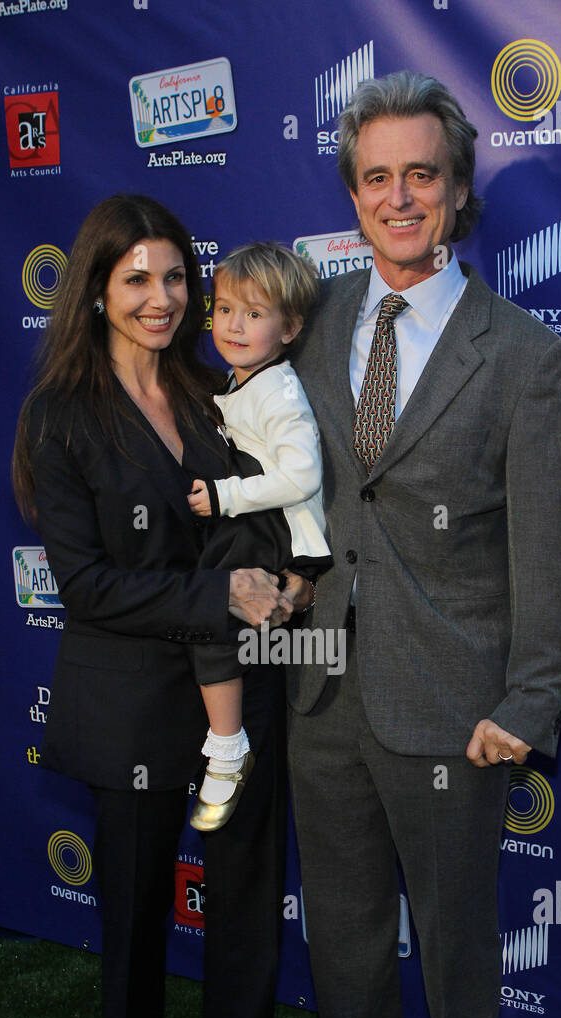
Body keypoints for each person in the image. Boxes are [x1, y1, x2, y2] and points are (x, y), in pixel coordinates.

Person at [273, 73, 561, 1018]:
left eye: (419, 176)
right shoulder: (318, 331)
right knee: (344, 919)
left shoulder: (524, 357)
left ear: (456, 194)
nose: (396, 197)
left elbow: (553, 555)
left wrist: (527, 702)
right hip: (323, 687)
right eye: (374, 178)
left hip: (457, 706)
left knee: (454, 941)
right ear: (352, 197)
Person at [12, 193, 305, 1018]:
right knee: (135, 933)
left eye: (176, 276)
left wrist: (281, 573)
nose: (162, 297)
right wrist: (218, 590)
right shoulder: (60, 415)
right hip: (131, 703)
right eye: (137, 278)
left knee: (245, 919)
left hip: (238, 699)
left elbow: (263, 517)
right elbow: (87, 584)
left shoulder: (220, 389)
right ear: (96, 289)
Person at [186, 241, 330, 831]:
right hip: (262, 526)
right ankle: (227, 740)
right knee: (210, 606)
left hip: (280, 533)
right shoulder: (243, 380)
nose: (234, 325)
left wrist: (225, 496)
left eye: (254, 313)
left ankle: (227, 747)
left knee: (212, 604)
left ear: (290, 326)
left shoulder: (279, 390)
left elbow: (301, 476)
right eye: (224, 310)